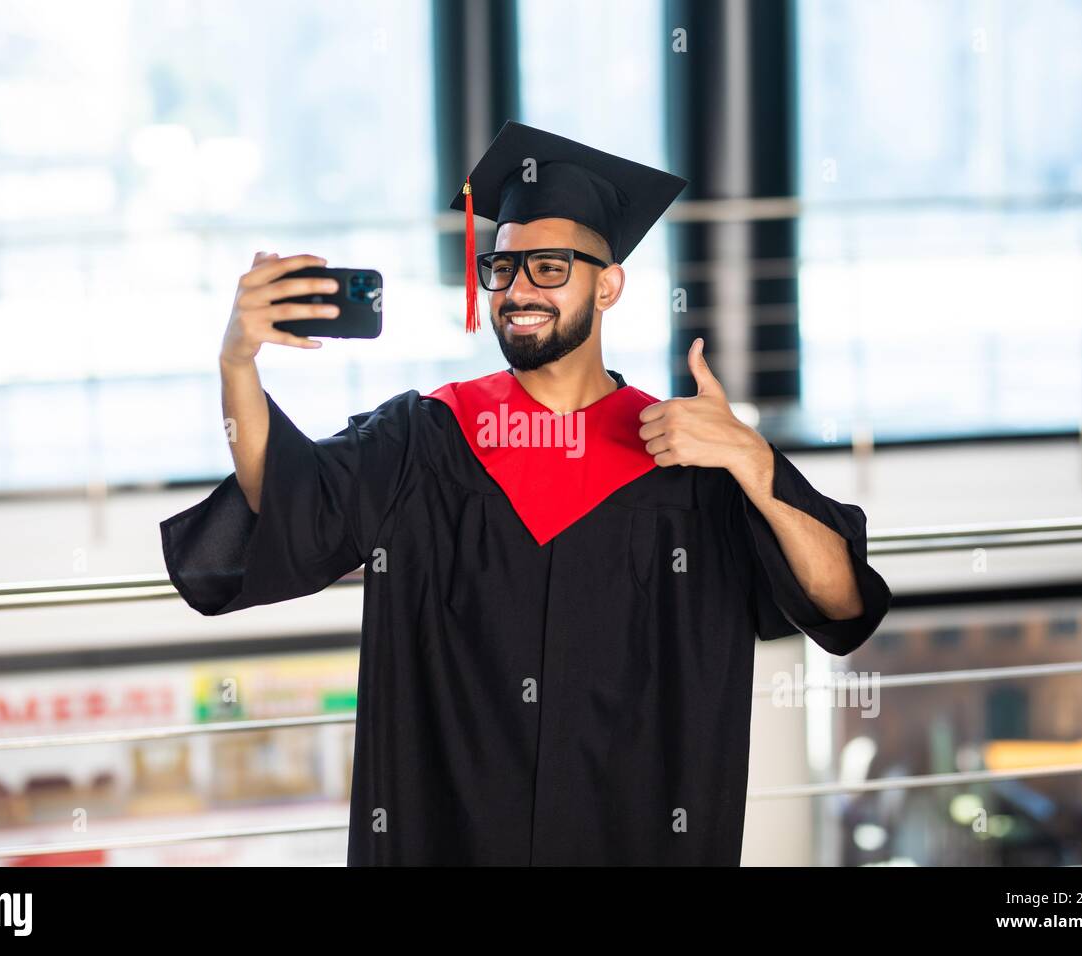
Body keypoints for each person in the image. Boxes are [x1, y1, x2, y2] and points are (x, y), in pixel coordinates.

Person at [160, 121, 892, 865]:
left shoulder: (690, 458)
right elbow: (286, 498)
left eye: (549, 268)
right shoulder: (426, 438)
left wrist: (751, 457)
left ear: (609, 284)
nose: (518, 290)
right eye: (502, 268)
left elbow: (840, 602)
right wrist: (237, 363)